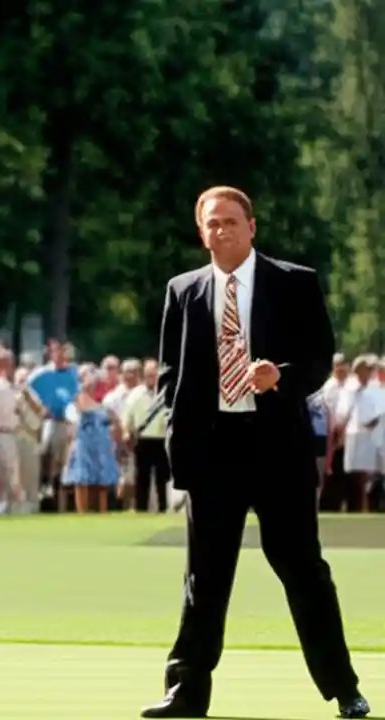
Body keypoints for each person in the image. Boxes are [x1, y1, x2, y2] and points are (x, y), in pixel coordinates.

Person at [140, 186, 369, 719]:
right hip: (211, 455)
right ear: (201, 232)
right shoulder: (184, 290)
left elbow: (318, 361)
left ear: (252, 226)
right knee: (204, 578)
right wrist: (182, 436)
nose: (221, 231)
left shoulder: (294, 283)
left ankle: (344, 689)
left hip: (277, 453)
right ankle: (186, 693)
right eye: (212, 224)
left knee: (303, 570)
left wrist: (279, 378)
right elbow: (170, 376)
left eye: (230, 222)